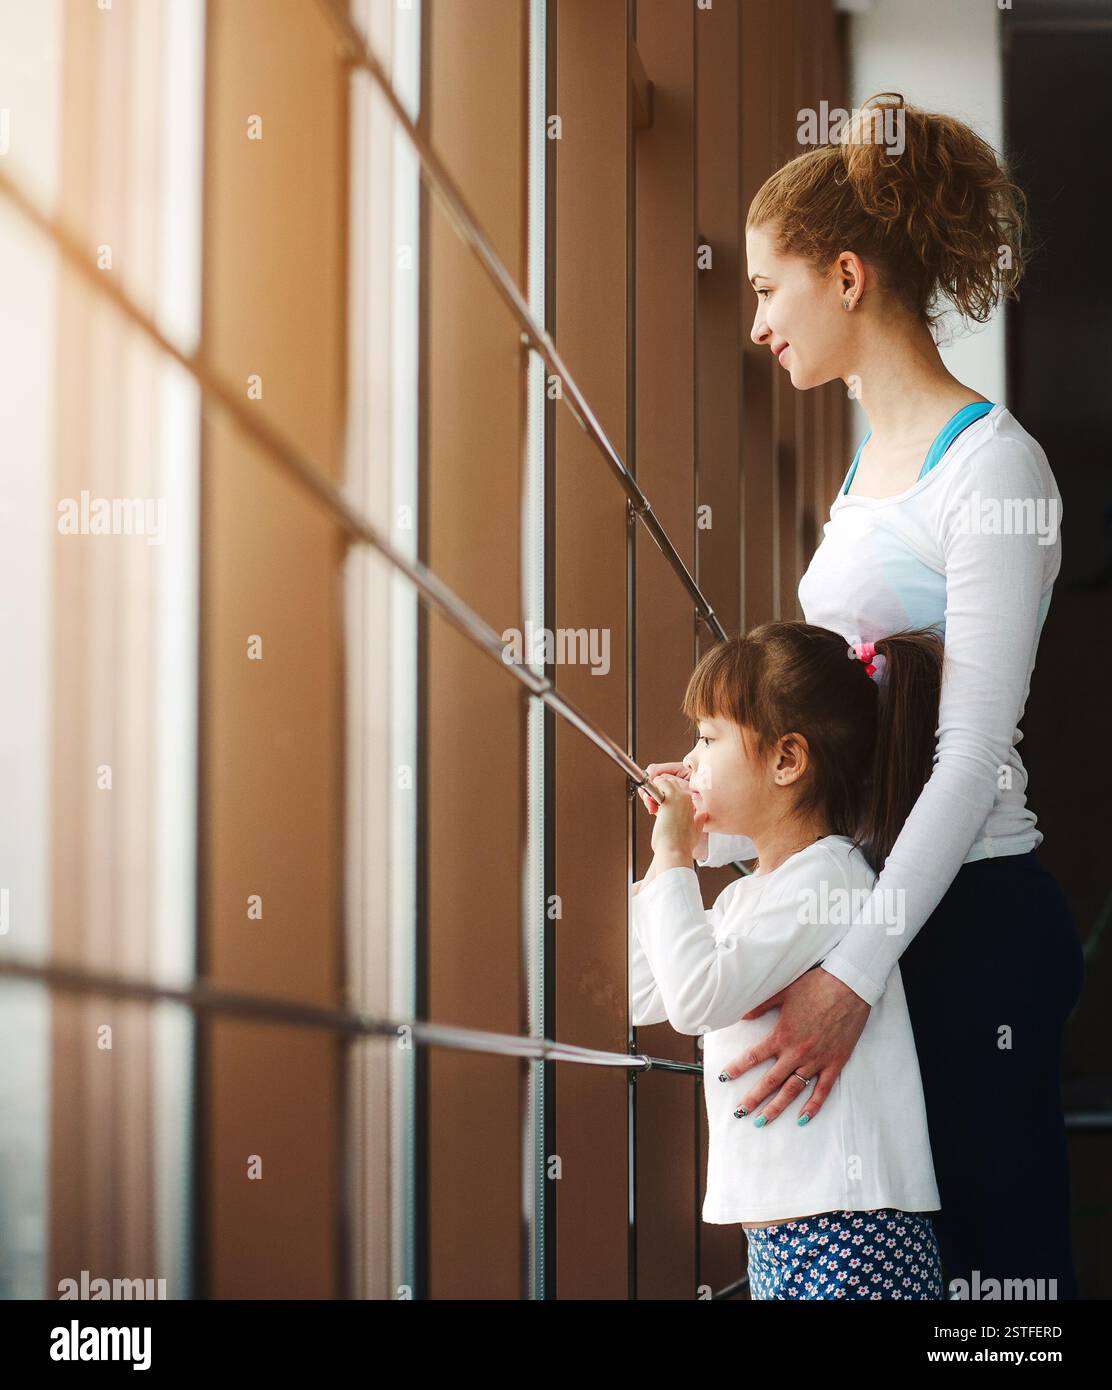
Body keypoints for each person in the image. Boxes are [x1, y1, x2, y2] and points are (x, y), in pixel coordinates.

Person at [640, 92, 1084, 1299]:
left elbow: (969, 752)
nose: (754, 323)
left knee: (996, 1285)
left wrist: (852, 973)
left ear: (844, 275)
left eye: (764, 287)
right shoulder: (859, 474)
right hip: (876, 910)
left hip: (968, 915)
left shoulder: (994, 470)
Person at [631, 621, 947, 1299]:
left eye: (708, 739)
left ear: (786, 761)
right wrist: (668, 863)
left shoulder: (827, 881)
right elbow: (643, 990)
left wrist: (674, 857)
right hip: (785, 1236)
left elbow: (694, 999)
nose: (689, 760)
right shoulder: (753, 895)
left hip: (850, 1236)